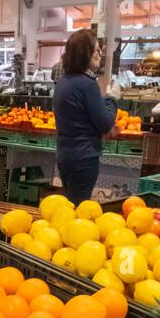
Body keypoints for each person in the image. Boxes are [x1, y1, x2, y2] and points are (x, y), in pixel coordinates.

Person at [52, 29, 117, 203]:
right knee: (80, 209)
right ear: (85, 54)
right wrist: (112, 99)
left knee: (72, 204)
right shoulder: (87, 84)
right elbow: (104, 123)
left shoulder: (63, 82)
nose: (100, 55)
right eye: (97, 51)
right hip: (83, 157)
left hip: (65, 155)